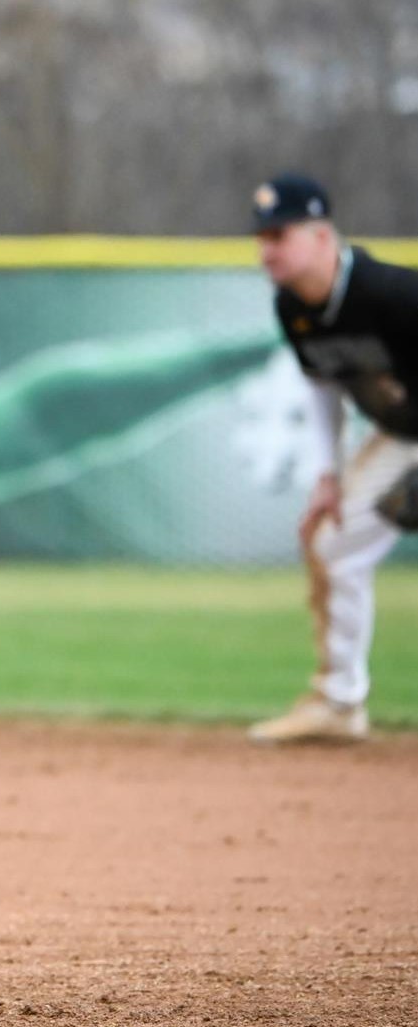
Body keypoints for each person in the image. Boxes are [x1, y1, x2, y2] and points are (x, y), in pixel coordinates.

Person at [245, 173, 418, 746]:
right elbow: (322, 388)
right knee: (334, 544)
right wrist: (327, 477)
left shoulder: (392, 293)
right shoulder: (293, 306)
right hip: (403, 435)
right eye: (262, 237)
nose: (267, 248)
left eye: (280, 234)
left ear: (322, 236)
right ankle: (339, 702)